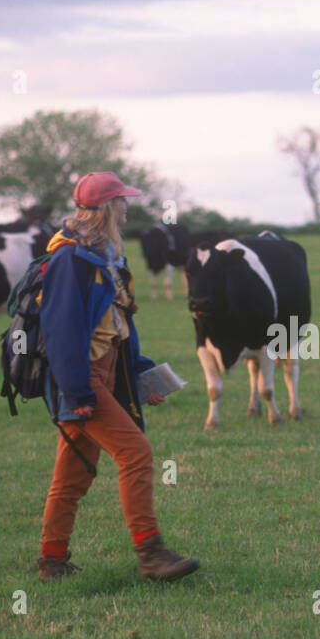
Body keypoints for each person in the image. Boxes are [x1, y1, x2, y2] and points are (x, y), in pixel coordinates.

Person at [36, 171, 199, 582]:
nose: (128, 206)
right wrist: (78, 393)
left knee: (72, 475)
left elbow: (117, 327)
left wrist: (142, 374)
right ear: (108, 208)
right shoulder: (69, 261)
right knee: (136, 453)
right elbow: (60, 333)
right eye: (122, 200)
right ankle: (151, 555)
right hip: (82, 380)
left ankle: (51, 560)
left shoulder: (106, 257)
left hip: (105, 374)